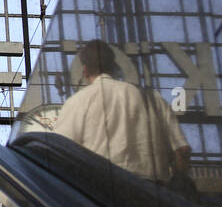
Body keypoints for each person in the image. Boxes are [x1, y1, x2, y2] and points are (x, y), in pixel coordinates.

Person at [54, 39, 192, 189]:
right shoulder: (153, 99)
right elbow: (182, 151)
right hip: (152, 194)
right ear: (114, 66)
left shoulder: (78, 101)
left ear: (85, 70)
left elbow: (60, 152)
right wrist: (178, 183)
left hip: (101, 190)